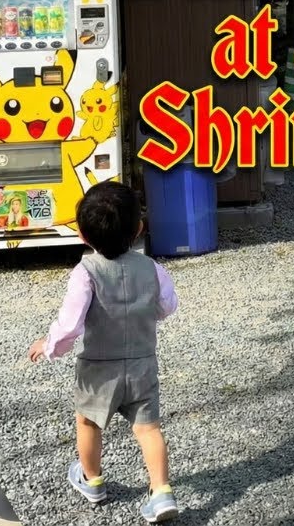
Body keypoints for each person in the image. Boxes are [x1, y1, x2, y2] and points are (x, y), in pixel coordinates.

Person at [28, 182, 180, 523]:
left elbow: (70, 324)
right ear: (138, 229)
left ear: (82, 234)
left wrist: (48, 346)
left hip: (99, 368)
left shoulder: (85, 273)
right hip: (142, 363)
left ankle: (92, 479)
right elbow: (166, 306)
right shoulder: (152, 268)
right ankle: (160, 492)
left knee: (89, 422)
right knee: (148, 429)